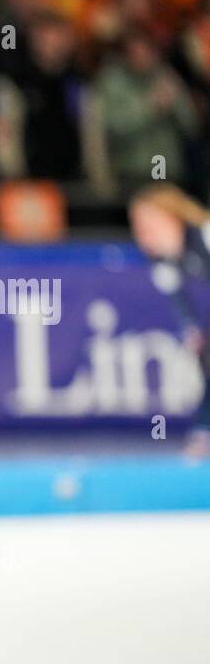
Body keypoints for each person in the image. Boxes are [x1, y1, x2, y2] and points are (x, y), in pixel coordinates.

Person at [129, 183, 210, 458]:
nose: (144, 234)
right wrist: (193, 332)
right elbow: (185, 310)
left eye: (150, 223)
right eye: (139, 226)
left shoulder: (207, 235)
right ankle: (204, 429)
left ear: (172, 217)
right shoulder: (163, 263)